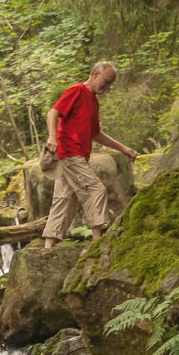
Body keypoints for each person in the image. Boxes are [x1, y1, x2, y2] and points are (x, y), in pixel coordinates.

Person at [42, 62, 138, 247]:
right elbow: (53, 112)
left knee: (64, 199)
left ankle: (47, 249)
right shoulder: (77, 91)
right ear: (95, 74)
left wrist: (123, 148)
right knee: (96, 190)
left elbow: (96, 134)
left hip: (75, 156)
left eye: (110, 83)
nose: (107, 86)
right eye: (106, 81)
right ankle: (97, 243)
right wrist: (52, 137)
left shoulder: (93, 102)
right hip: (69, 153)